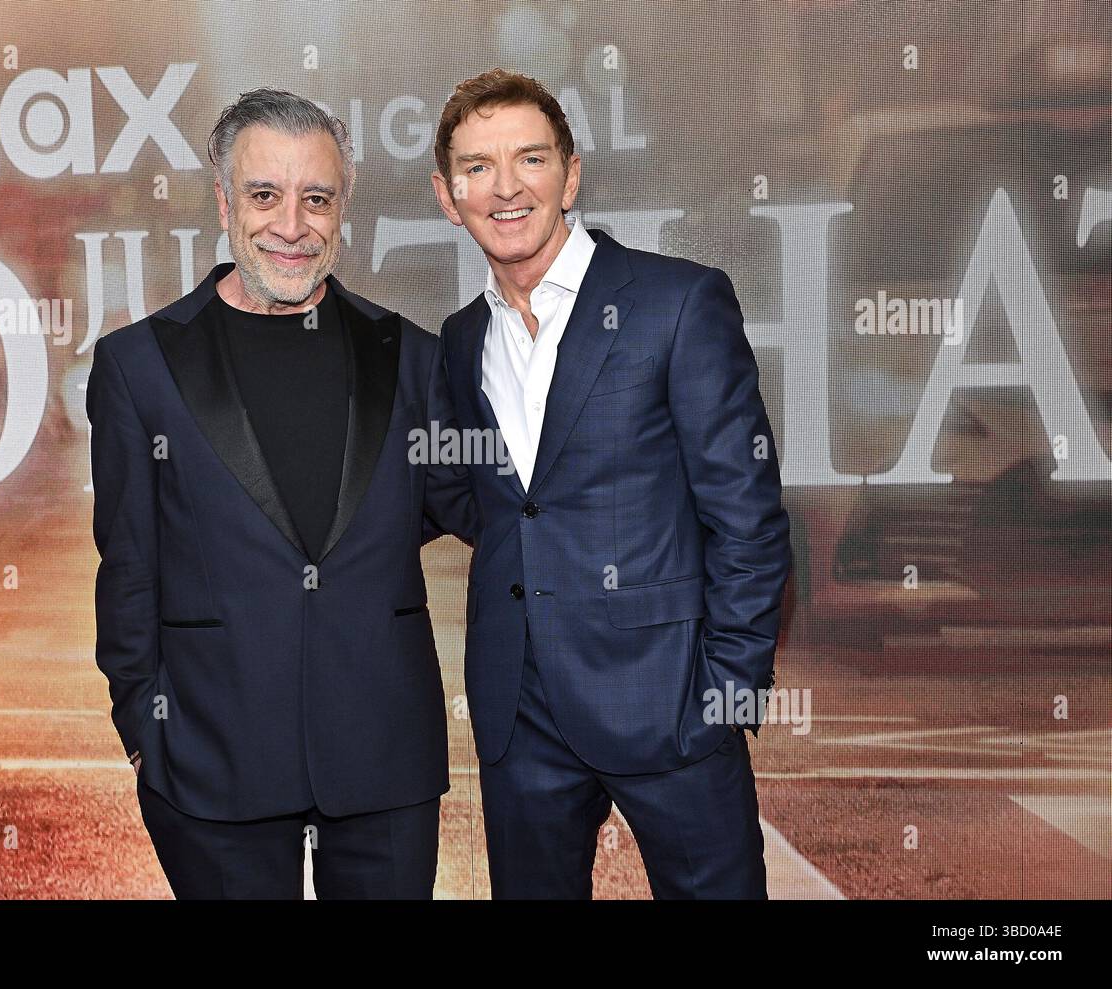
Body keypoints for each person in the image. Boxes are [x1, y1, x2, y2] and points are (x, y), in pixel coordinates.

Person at [87, 88, 473, 899]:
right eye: (265, 195)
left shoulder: (412, 358)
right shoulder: (138, 366)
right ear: (225, 200)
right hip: (210, 765)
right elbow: (128, 568)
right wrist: (142, 732)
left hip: (385, 764)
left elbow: (486, 509)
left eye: (316, 198)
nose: (291, 226)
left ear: (345, 205)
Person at [430, 69, 792, 899]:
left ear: (572, 173)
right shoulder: (460, 338)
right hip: (520, 717)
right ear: (448, 197)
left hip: (671, 703)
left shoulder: (676, 302)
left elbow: (749, 518)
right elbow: (489, 502)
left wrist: (726, 696)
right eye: (477, 167)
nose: (506, 186)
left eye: (530, 158)